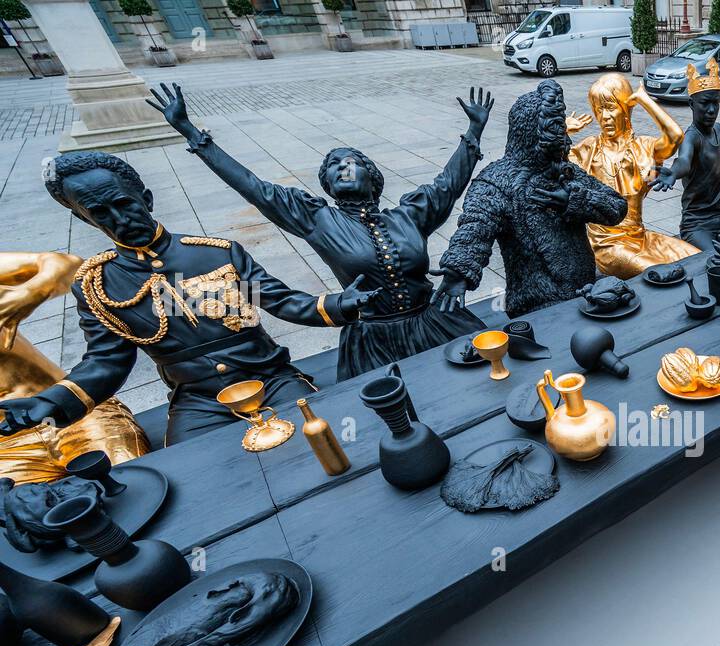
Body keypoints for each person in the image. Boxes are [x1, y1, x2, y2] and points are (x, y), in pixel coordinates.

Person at [0, 152, 375, 447]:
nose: (118, 218)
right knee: (197, 476)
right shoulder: (97, 285)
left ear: (144, 197)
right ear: (84, 219)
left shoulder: (216, 253)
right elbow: (106, 363)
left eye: (123, 203)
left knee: (323, 437)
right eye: (100, 213)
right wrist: (48, 403)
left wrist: (342, 304)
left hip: (270, 379)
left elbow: (281, 301)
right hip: (199, 401)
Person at [149, 82, 492, 380]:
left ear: (372, 177)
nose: (342, 166)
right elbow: (254, 187)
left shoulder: (410, 215)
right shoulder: (316, 219)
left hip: (433, 320)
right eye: (332, 165)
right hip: (375, 337)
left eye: (351, 161)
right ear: (327, 183)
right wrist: (192, 133)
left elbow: (448, 185)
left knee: (482, 375)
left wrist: (473, 131)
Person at [434, 80, 628, 320]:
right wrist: (458, 272)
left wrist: (574, 200)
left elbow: (616, 207)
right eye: (557, 126)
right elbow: (475, 228)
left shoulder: (563, 171)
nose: (563, 135)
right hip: (537, 304)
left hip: (587, 289)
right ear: (532, 131)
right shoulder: (495, 182)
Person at [1, 251, 149, 483]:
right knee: (22, 515)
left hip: (67, 411)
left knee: (131, 480)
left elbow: (70, 265)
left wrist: (30, 292)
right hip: (7, 449)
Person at [567, 73, 699, 279]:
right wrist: (563, 132)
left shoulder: (642, 147)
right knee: (665, 274)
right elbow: (549, 160)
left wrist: (644, 99)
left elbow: (675, 136)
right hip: (608, 245)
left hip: (640, 238)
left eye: (611, 107)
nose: (605, 117)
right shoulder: (588, 149)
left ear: (625, 109)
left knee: (697, 258)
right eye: (599, 109)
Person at [651, 59, 720, 254]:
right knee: (715, 258)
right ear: (691, 104)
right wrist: (673, 172)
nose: (712, 110)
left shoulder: (719, 131)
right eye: (705, 103)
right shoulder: (691, 138)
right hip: (698, 225)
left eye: (716, 103)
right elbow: (684, 161)